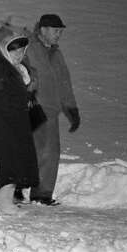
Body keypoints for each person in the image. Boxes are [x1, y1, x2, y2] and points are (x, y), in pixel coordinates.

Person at [23, 12, 80, 205]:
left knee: (51, 153)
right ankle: (14, 190)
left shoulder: (56, 53)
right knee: (31, 151)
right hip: (33, 109)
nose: (59, 35)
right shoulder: (28, 48)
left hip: (52, 112)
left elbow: (64, 83)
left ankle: (42, 193)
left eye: (60, 31)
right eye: (56, 31)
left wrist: (71, 108)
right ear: (43, 29)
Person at [0, 25, 41, 207]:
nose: (18, 54)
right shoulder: (0, 67)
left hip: (17, 122)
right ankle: (2, 202)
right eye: (14, 50)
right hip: (4, 122)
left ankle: (6, 199)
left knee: (15, 161)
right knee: (7, 162)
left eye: (21, 51)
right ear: (5, 50)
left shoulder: (19, 69)